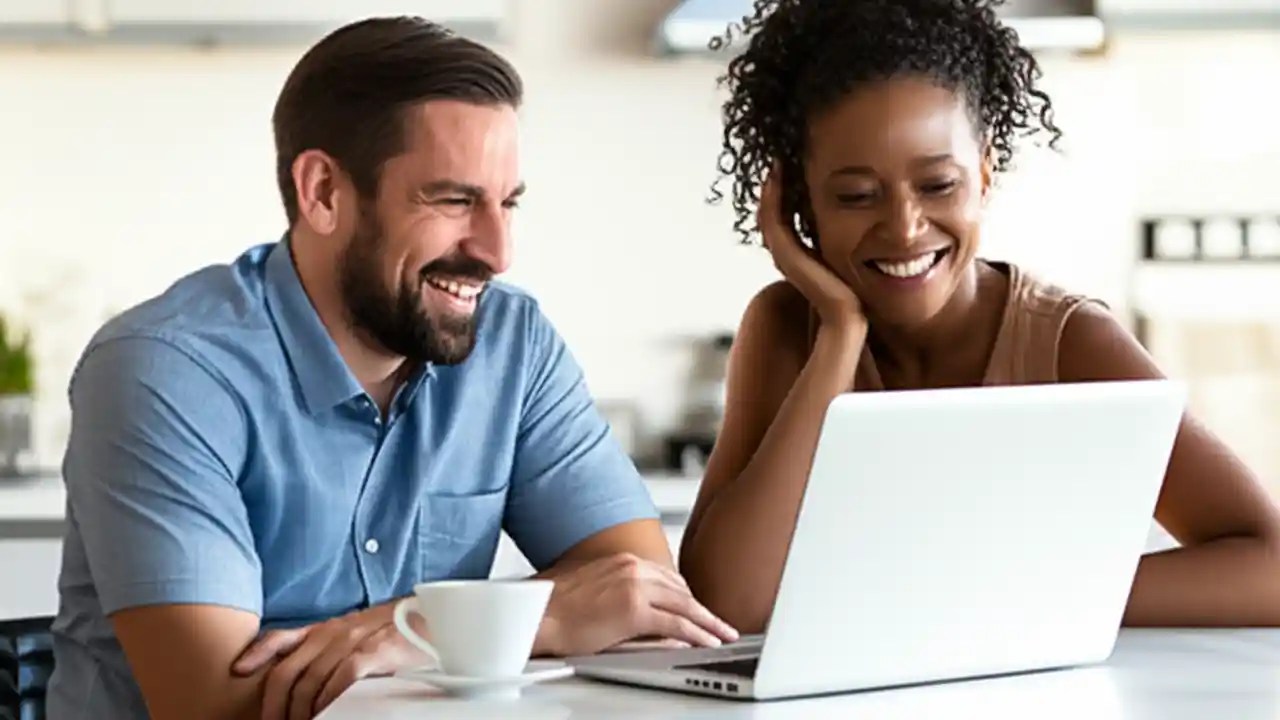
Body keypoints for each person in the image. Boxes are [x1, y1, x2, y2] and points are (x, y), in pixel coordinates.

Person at [47, 17, 737, 720]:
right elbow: (215, 706)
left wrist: (415, 632)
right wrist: (521, 620)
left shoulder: (512, 344)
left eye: (508, 202)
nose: (497, 253)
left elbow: (645, 598)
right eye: (453, 200)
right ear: (322, 192)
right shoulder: (164, 373)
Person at [679, 0, 1280, 635]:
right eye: (856, 196)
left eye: (938, 185)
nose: (905, 228)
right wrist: (840, 335)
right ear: (800, 201)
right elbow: (725, 603)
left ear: (985, 175)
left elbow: (1269, 567)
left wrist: (995, 590)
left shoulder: (1069, 342)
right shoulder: (787, 330)